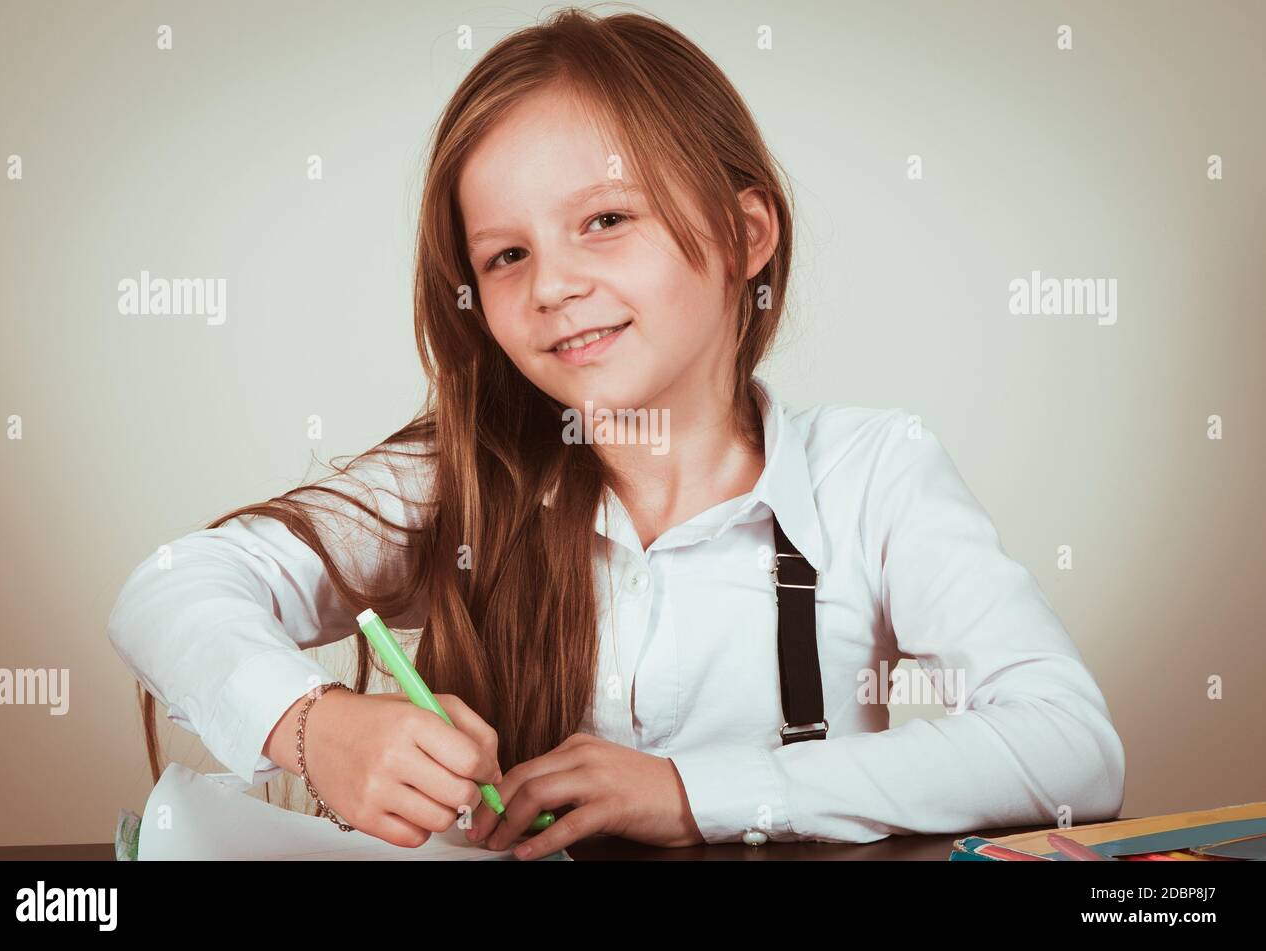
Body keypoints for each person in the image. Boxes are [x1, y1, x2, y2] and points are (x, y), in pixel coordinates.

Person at [107, 8, 1124, 860]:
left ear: (744, 233)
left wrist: (691, 792)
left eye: (603, 220)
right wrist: (310, 726)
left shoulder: (874, 473)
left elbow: (1069, 746)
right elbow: (169, 587)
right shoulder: (455, 476)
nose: (551, 286)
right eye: (505, 254)